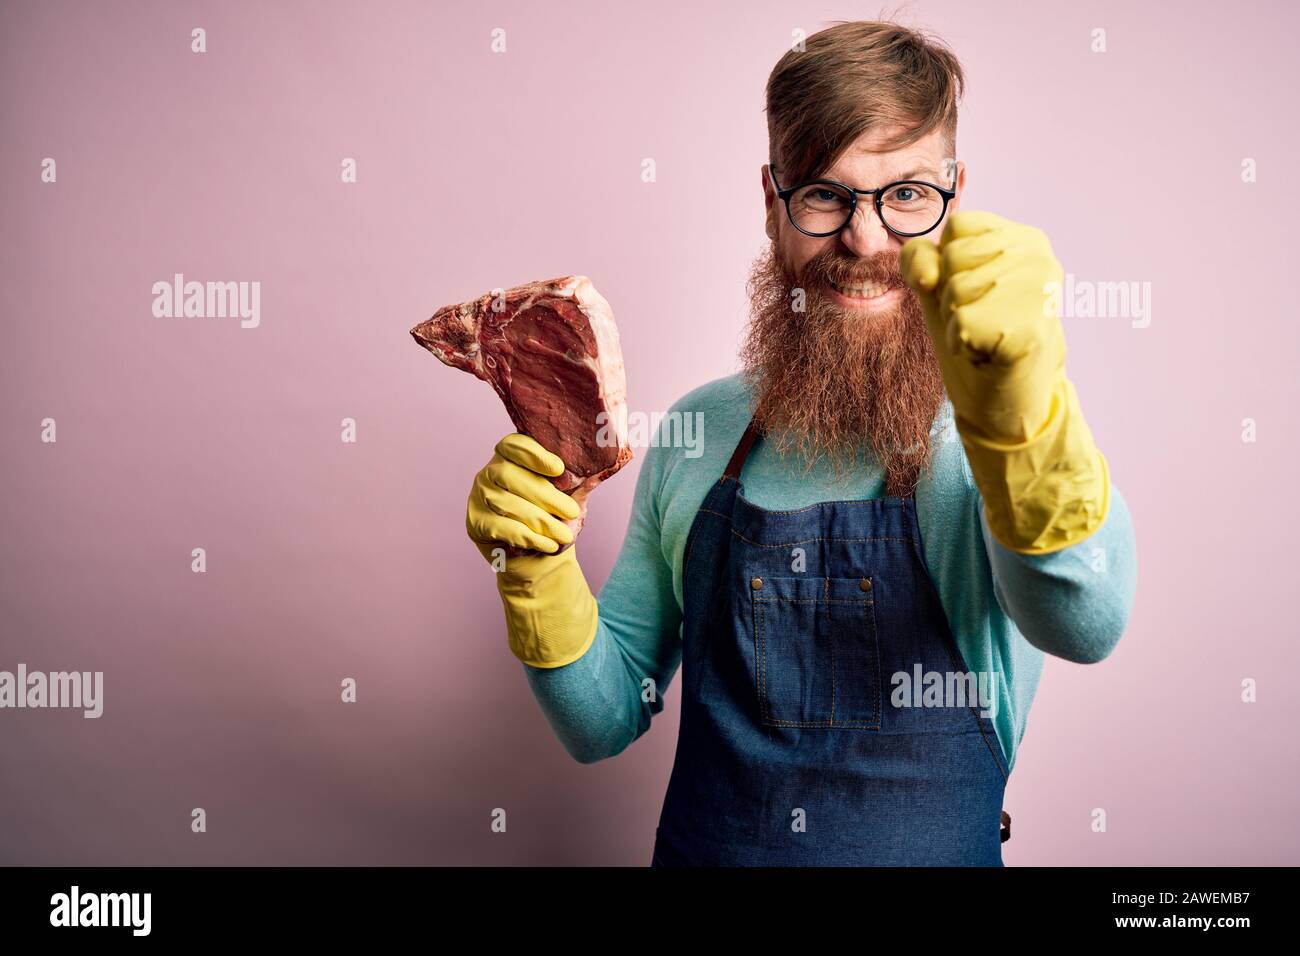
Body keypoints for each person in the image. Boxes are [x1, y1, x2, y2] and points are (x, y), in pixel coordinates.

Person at [462, 19, 1137, 866]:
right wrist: (535, 570)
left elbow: (1087, 623)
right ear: (772, 200)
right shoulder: (699, 431)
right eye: (824, 193)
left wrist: (1024, 421)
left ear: (956, 196)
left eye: (907, 194)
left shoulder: (993, 439)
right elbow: (601, 721)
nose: (864, 239)